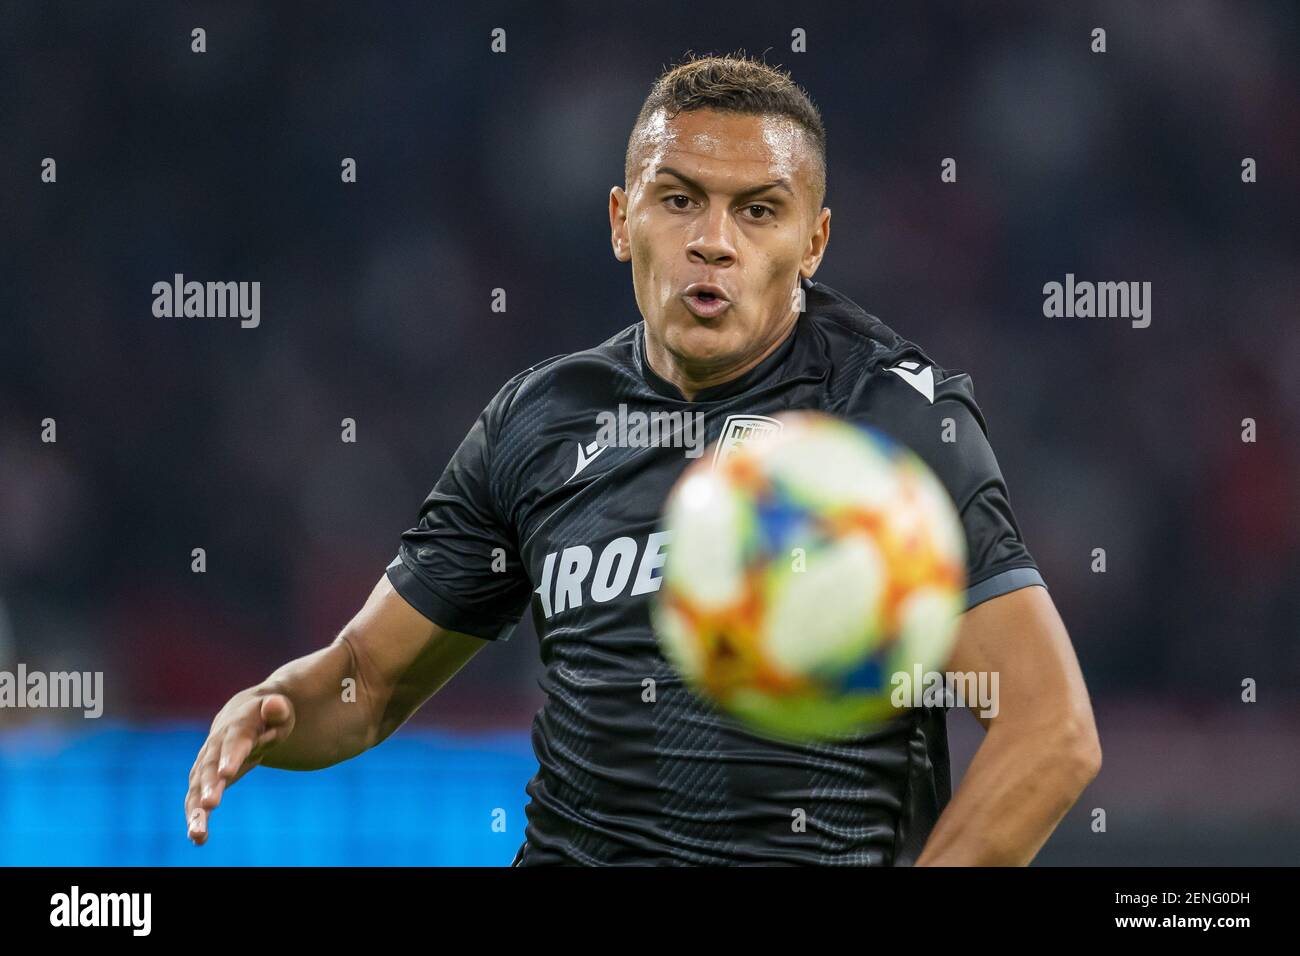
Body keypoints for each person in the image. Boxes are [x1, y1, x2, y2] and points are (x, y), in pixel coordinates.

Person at [185, 53, 1100, 865]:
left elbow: (1049, 730)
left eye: (758, 211)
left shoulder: (893, 419)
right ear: (623, 220)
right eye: (679, 199)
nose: (713, 239)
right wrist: (279, 709)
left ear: (813, 243)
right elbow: (370, 681)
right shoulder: (538, 421)